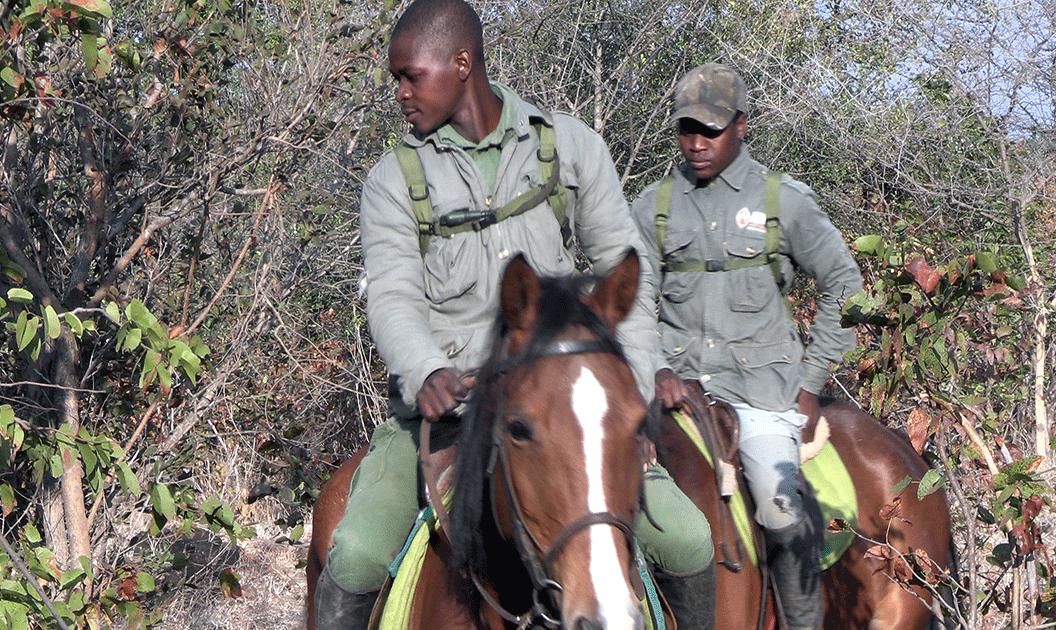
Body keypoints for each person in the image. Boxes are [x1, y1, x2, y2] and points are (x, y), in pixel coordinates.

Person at [314, 1, 716, 629]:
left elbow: (624, 273)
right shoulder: (393, 180)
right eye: (398, 78)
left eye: (411, 76)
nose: (400, 94)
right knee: (359, 553)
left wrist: (631, 400)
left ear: (462, 63)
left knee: (688, 542)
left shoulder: (567, 144)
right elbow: (392, 295)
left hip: (564, 413)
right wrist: (424, 372)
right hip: (446, 417)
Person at [630, 63, 864, 630]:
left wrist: (811, 384)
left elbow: (845, 285)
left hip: (761, 393)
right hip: (675, 392)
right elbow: (630, 302)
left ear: (742, 125)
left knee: (781, 509)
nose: (696, 143)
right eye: (686, 129)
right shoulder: (651, 207)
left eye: (709, 130)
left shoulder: (784, 201)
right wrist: (655, 368)